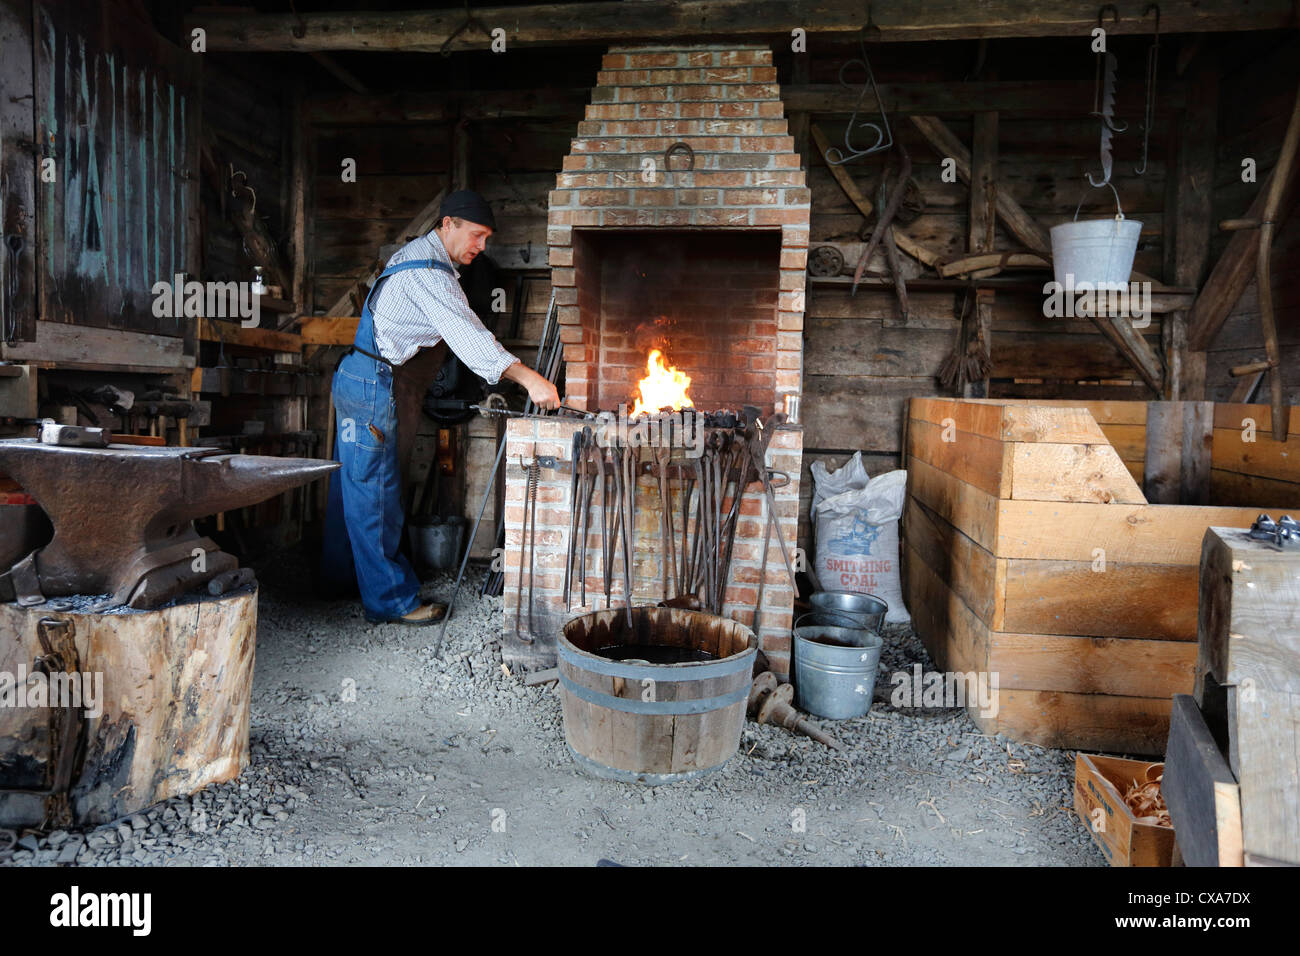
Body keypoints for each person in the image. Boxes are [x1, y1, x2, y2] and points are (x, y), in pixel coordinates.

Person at [321, 190, 559, 625]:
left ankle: (342, 581)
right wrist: (530, 378)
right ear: (447, 224)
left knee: (353, 487)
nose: (481, 246)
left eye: (487, 238)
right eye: (477, 235)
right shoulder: (429, 274)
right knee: (375, 491)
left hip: (364, 379)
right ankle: (392, 600)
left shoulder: (425, 260)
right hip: (374, 384)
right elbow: (467, 335)